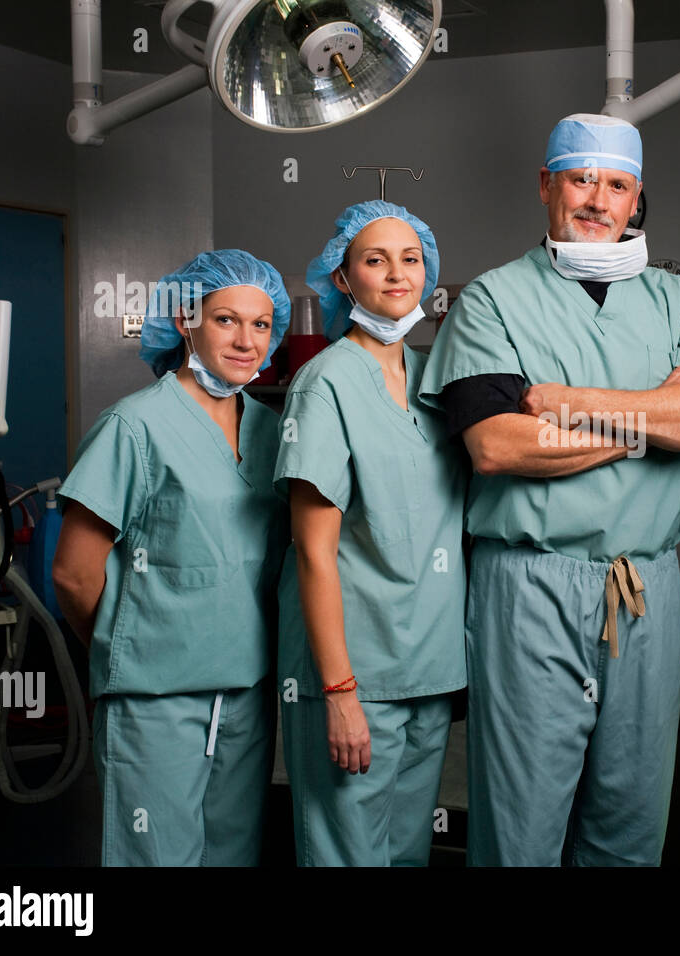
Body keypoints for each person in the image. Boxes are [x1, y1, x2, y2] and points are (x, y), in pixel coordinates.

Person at [418, 113, 680, 866]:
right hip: (530, 585)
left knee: (630, 822)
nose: (598, 199)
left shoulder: (675, 300)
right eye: (581, 178)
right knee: (524, 825)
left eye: (618, 185)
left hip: (647, 590)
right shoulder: (493, 300)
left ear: (636, 201)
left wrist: (561, 400)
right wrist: (655, 415)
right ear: (546, 186)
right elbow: (497, 446)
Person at [52, 249, 291, 866]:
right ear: (189, 321)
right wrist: (127, 649)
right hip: (154, 701)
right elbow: (74, 575)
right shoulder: (135, 427)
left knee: (231, 855)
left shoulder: (272, 432)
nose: (246, 340)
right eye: (226, 320)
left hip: (246, 693)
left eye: (261, 324)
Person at [275, 200, 467, 866]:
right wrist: (339, 694)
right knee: (346, 851)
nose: (397, 275)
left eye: (410, 259)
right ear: (342, 279)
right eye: (375, 260)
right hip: (354, 670)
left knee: (407, 851)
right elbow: (313, 554)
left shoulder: (434, 382)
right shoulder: (322, 384)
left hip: (427, 669)